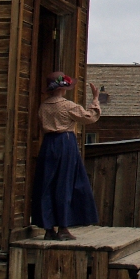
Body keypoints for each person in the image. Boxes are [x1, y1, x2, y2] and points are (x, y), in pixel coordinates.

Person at [31, 72, 101, 241]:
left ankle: (49, 229)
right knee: (65, 183)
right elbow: (90, 117)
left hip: (48, 144)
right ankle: (63, 227)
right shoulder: (68, 106)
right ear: (63, 89)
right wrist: (95, 100)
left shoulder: (43, 106)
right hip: (65, 143)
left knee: (47, 184)